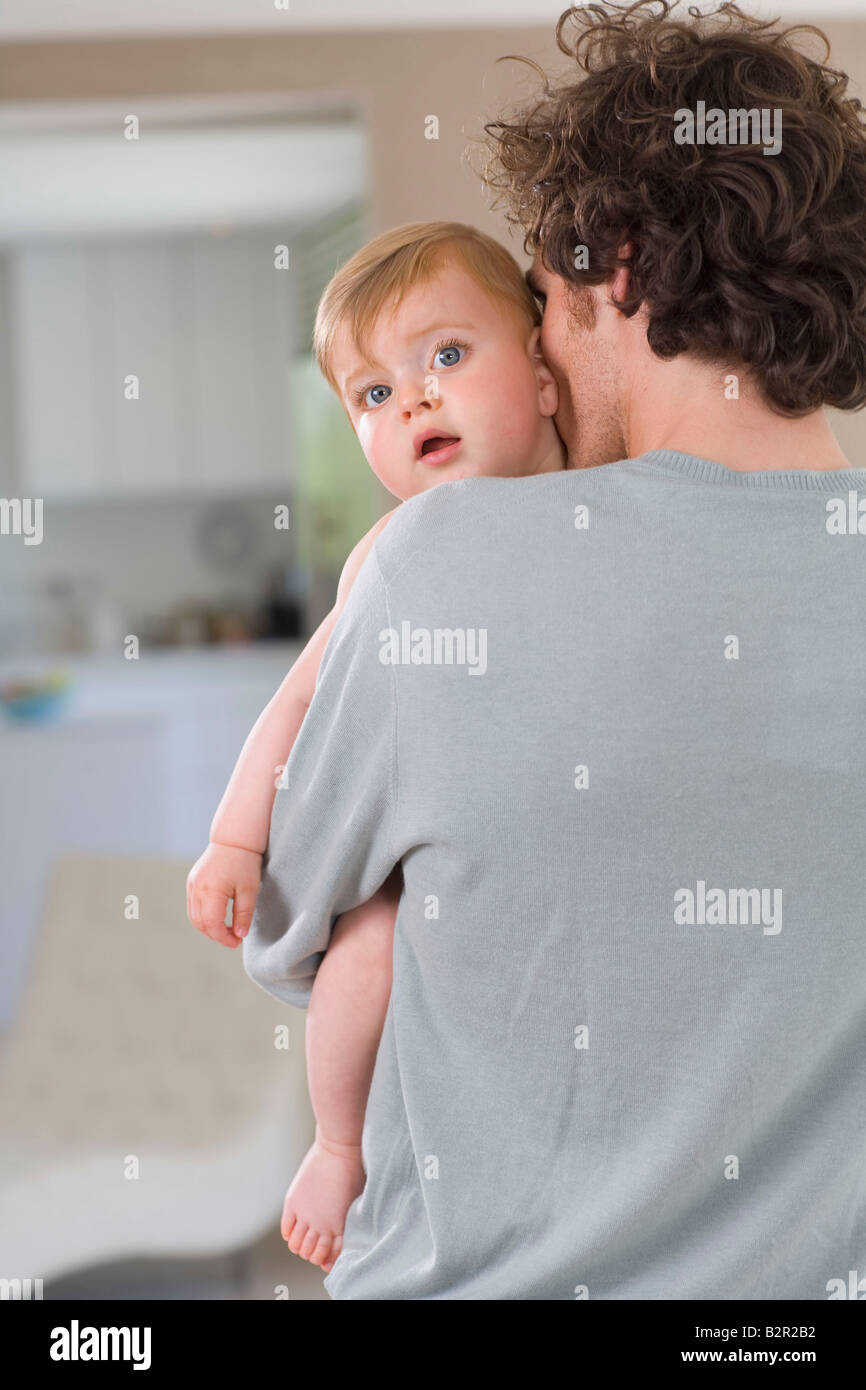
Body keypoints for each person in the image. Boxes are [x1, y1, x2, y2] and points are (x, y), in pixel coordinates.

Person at [226, 0, 866, 1298]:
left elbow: (284, 920)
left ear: (616, 266)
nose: (538, 360)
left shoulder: (445, 561)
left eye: (540, 300)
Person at [186, 221, 568, 1272]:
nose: (412, 399)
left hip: (536, 827)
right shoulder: (387, 554)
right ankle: (339, 1144)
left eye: (445, 355)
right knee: (366, 939)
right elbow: (296, 701)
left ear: (543, 375)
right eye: (371, 393)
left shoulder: (603, 491)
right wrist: (233, 838)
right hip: (419, 837)